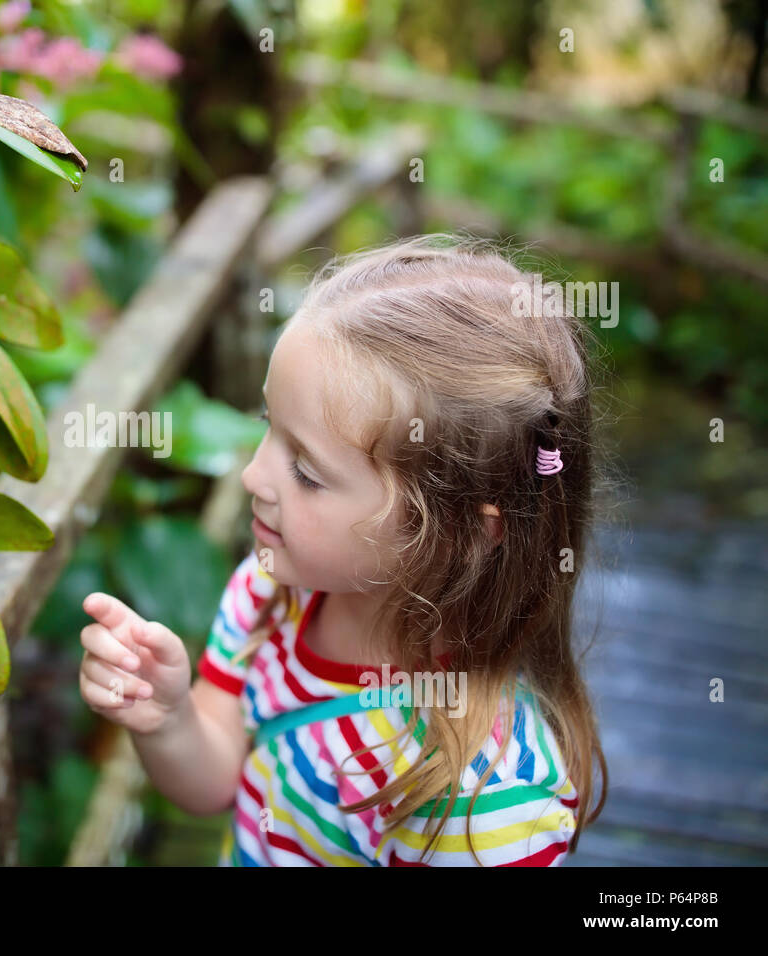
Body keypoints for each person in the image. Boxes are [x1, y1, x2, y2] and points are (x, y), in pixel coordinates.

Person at [78, 234, 609, 866]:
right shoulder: (268, 592)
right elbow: (216, 775)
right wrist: (166, 720)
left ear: (462, 531)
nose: (252, 476)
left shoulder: (486, 800)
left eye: (305, 470)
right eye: (268, 428)